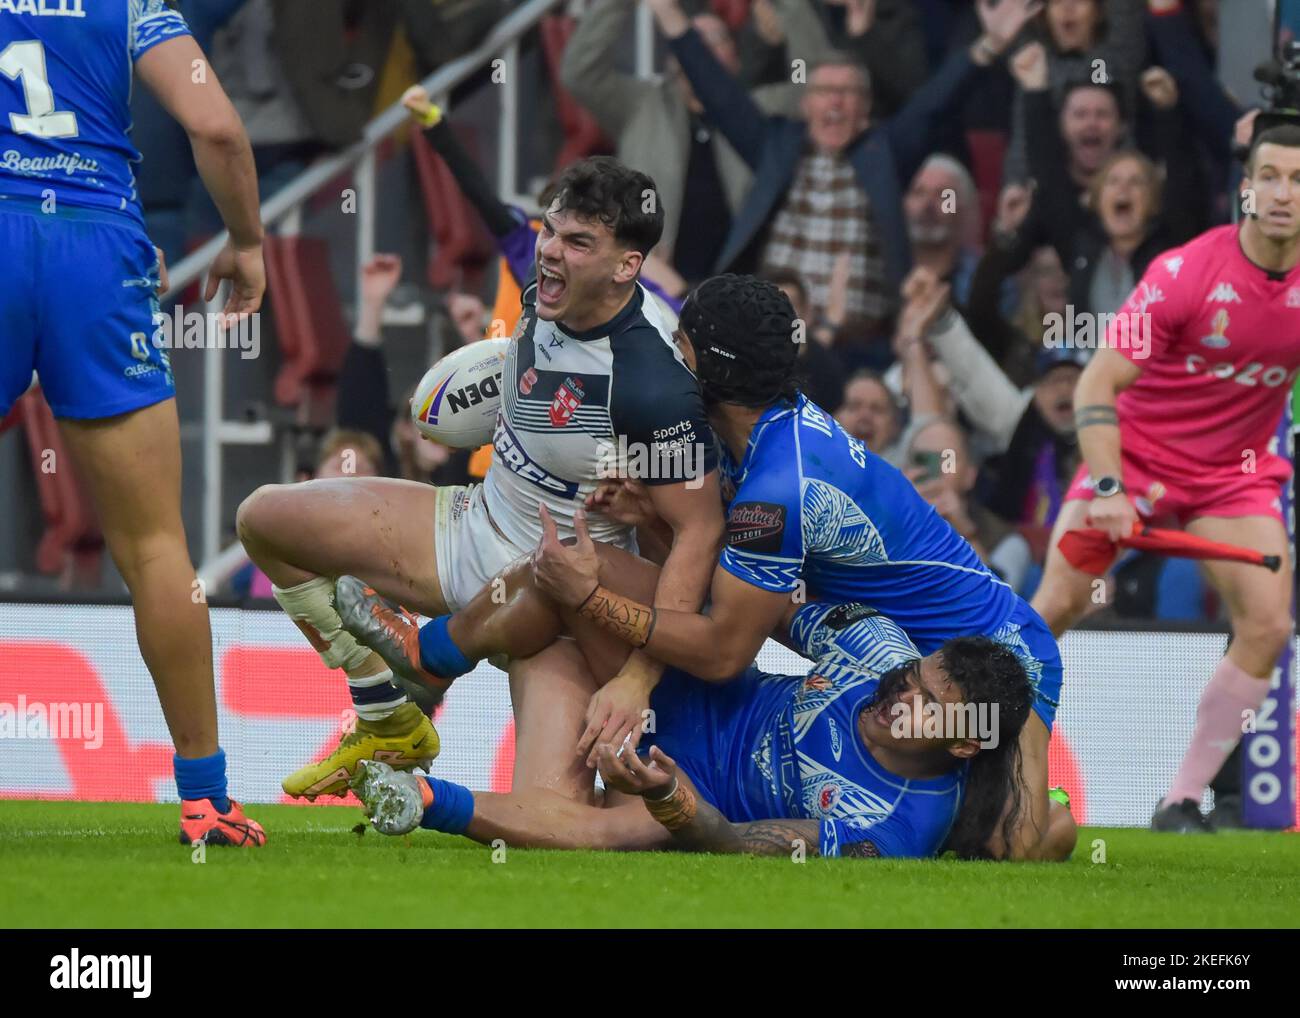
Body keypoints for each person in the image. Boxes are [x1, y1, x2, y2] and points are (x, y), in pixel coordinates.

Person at [386, 275, 1072, 861]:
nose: (668, 364)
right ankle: (426, 656)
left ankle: (1044, 812)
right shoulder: (756, 442)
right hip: (860, 665)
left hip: (1002, 644)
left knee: (1012, 847)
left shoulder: (778, 481)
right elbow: (748, 603)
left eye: (680, 349)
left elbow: (721, 649)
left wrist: (603, 611)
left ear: (713, 369)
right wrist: (652, 524)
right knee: (564, 569)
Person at [236, 157, 725, 800]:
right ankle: (388, 716)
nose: (550, 252)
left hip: (553, 600)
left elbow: (698, 531)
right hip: (467, 526)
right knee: (264, 520)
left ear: (626, 266)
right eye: (550, 230)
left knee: (548, 823)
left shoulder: (653, 381)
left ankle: (438, 683)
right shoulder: (548, 282)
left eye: (578, 242)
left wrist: (638, 679)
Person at [0, 1, 266, 845]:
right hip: (96, 250)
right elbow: (217, 130)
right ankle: (206, 800)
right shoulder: (132, 5)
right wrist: (246, 241)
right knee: (156, 546)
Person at [1031, 126, 1300, 832]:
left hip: (1230, 479)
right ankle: (992, 769)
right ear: (1245, 187)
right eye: (1269, 176)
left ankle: (1180, 800)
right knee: (1053, 605)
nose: (1283, 193)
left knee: (1269, 624)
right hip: (1136, 459)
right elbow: (1095, 385)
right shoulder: (1185, 273)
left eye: (1299, 181)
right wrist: (1112, 488)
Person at [349, 600, 1038, 861]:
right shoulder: (879, 646)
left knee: (617, 833)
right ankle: (428, 652)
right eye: (917, 676)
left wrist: (671, 799)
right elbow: (759, 606)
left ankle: (423, 800)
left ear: (964, 742)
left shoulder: (890, 830)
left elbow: (739, 843)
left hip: (687, 785)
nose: (902, 695)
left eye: (926, 702)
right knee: (576, 585)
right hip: (684, 681)